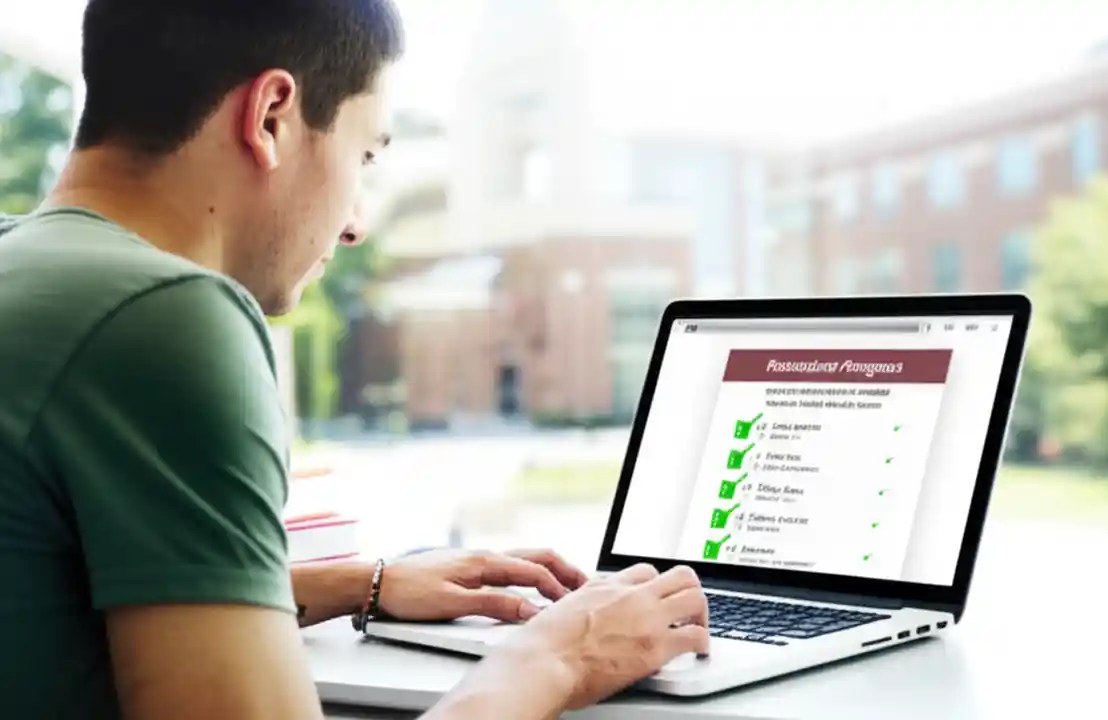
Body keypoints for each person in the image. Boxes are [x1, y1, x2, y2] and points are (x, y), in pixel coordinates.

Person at [0, 1, 710, 718]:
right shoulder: (161, 316)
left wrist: (361, 584)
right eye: (364, 156)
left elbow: (59, 586)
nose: (357, 222)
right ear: (272, 115)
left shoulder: (24, 266)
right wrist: (558, 655)